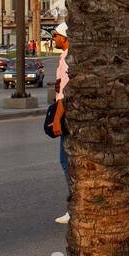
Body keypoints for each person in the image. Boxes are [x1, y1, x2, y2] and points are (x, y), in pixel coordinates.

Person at [51, 22, 72, 224]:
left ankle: (75, 207)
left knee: (67, 162)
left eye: (56, 35)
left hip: (66, 116)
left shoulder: (67, 60)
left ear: (65, 38)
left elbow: (63, 94)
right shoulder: (66, 58)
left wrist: (57, 118)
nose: (54, 39)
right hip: (70, 114)